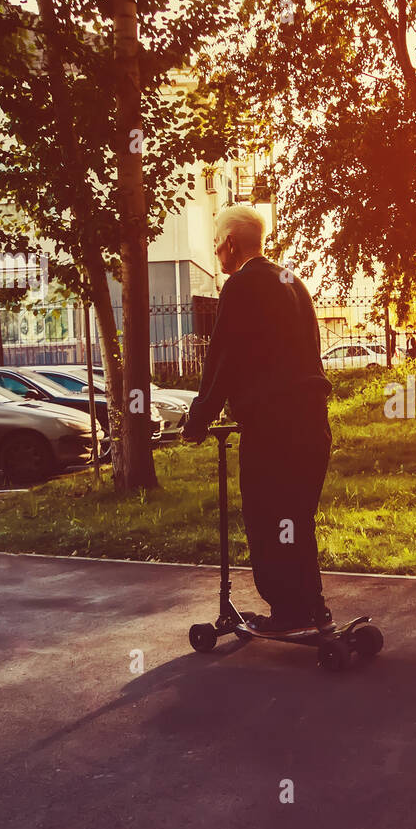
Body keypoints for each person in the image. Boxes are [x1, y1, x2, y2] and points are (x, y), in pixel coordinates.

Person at [181, 205, 334, 636]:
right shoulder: (293, 283)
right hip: (311, 424)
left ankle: (288, 611)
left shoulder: (241, 285)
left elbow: (223, 358)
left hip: (274, 429)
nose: (215, 250)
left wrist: (198, 419)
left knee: (268, 520)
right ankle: (313, 606)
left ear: (230, 243)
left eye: (216, 243)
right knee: (296, 521)